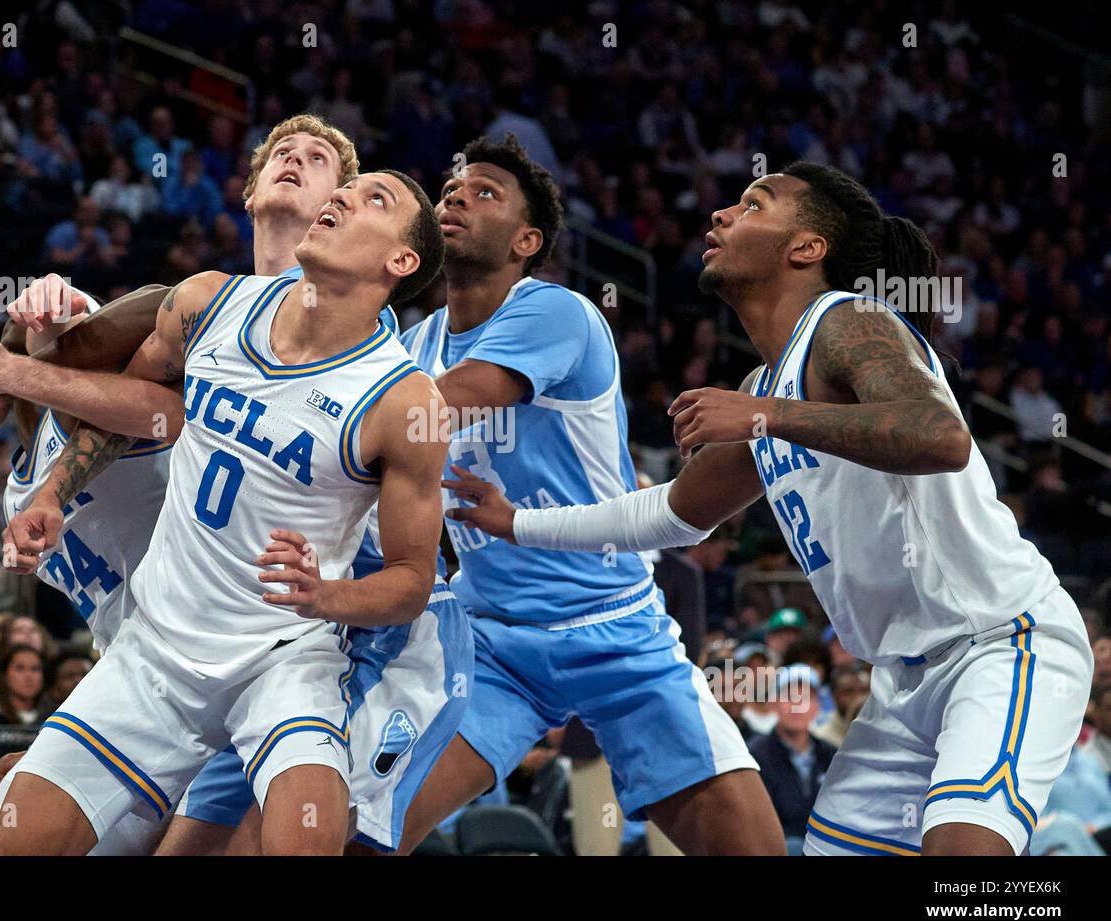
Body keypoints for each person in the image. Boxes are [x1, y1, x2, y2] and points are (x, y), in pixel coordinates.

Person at [444, 162, 1094, 856]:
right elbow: (668, 514)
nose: (721, 215)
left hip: (1002, 643)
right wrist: (518, 522)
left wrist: (767, 414)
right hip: (900, 686)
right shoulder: (767, 384)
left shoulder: (851, 321)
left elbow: (942, 436)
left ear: (806, 248)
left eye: (754, 204)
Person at [0, 115, 471, 857]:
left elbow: (413, 576)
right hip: (157, 647)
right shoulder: (204, 301)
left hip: (302, 652)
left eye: (366, 194)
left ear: (403, 259)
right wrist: (52, 486)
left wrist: (326, 596)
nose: (340, 194)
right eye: (338, 186)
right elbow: (115, 395)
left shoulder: (404, 401)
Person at [393, 135, 782, 855]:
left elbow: (451, 403)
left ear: (526, 239)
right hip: (491, 642)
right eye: (452, 186)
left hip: (611, 626)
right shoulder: (414, 349)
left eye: (484, 192)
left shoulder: (557, 312)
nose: (455, 195)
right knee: (368, 828)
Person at [749, 664, 837, 851]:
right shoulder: (755, 755)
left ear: (817, 707)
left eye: (806, 697)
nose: (798, 705)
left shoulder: (832, 755)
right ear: (773, 704)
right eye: (790, 697)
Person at [0, 643, 45, 726]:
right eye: (20, 668)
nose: (29, 677)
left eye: (35, 669)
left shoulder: (53, 715)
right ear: (4, 675)